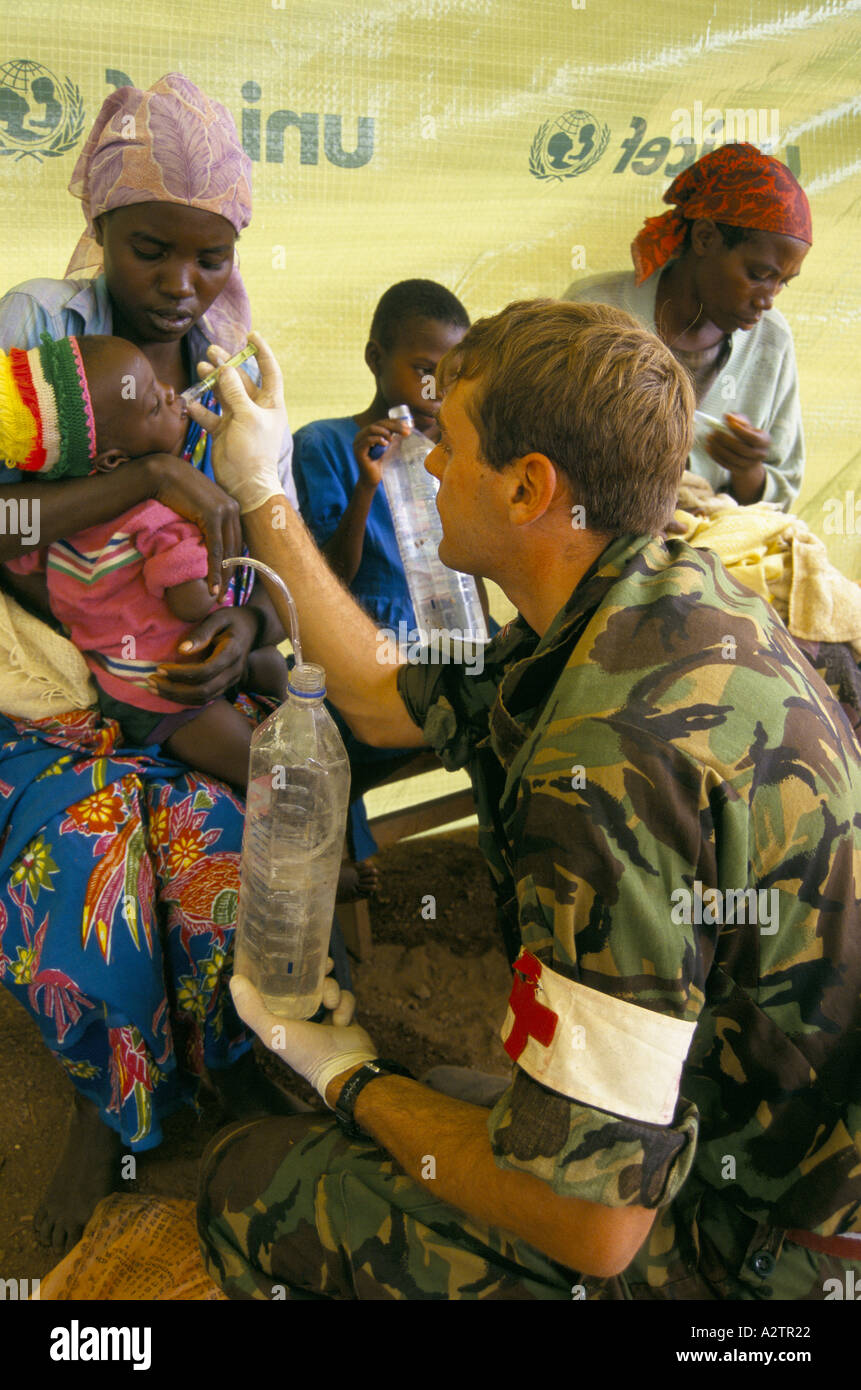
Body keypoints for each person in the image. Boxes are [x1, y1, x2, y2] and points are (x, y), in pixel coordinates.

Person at [194, 313, 860, 1300]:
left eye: (448, 446)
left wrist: (349, 1075)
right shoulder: (654, 595)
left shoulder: (606, 759)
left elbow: (595, 1228)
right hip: (773, 1145)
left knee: (254, 1186)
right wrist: (266, 488)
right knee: (465, 1114)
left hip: (769, 1257)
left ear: (527, 485)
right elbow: (381, 695)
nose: (427, 472)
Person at [0, 73, 300, 1258]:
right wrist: (150, 475)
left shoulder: (230, 360)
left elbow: (248, 551)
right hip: (44, 695)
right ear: (99, 228)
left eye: (210, 256)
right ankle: (113, 1117)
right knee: (92, 868)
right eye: (150, 249)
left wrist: (237, 631)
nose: (182, 284)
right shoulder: (35, 332)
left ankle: (241, 1082)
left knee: (230, 846)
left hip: (178, 676)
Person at [2, 332, 287, 790]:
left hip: (116, 683)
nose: (173, 394)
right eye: (154, 404)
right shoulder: (159, 520)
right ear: (115, 460)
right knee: (267, 774)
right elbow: (193, 605)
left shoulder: (62, 521)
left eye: (158, 385)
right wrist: (220, 564)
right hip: (169, 694)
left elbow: (23, 568)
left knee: (266, 662)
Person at [292, 278, 477, 864]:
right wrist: (366, 488)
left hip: (449, 654)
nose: (433, 390)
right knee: (313, 738)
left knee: (511, 718)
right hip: (363, 658)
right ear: (376, 358)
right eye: (422, 368)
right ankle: (344, 857)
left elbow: (470, 570)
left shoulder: (453, 455)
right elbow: (328, 579)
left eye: (448, 378)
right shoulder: (323, 445)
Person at [565, 142, 811, 510]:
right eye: (759, 275)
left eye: (783, 282)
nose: (768, 299)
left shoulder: (771, 342)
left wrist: (748, 468)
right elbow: (544, 443)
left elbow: (778, 495)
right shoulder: (594, 311)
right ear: (705, 237)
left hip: (713, 556)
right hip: (596, 537)